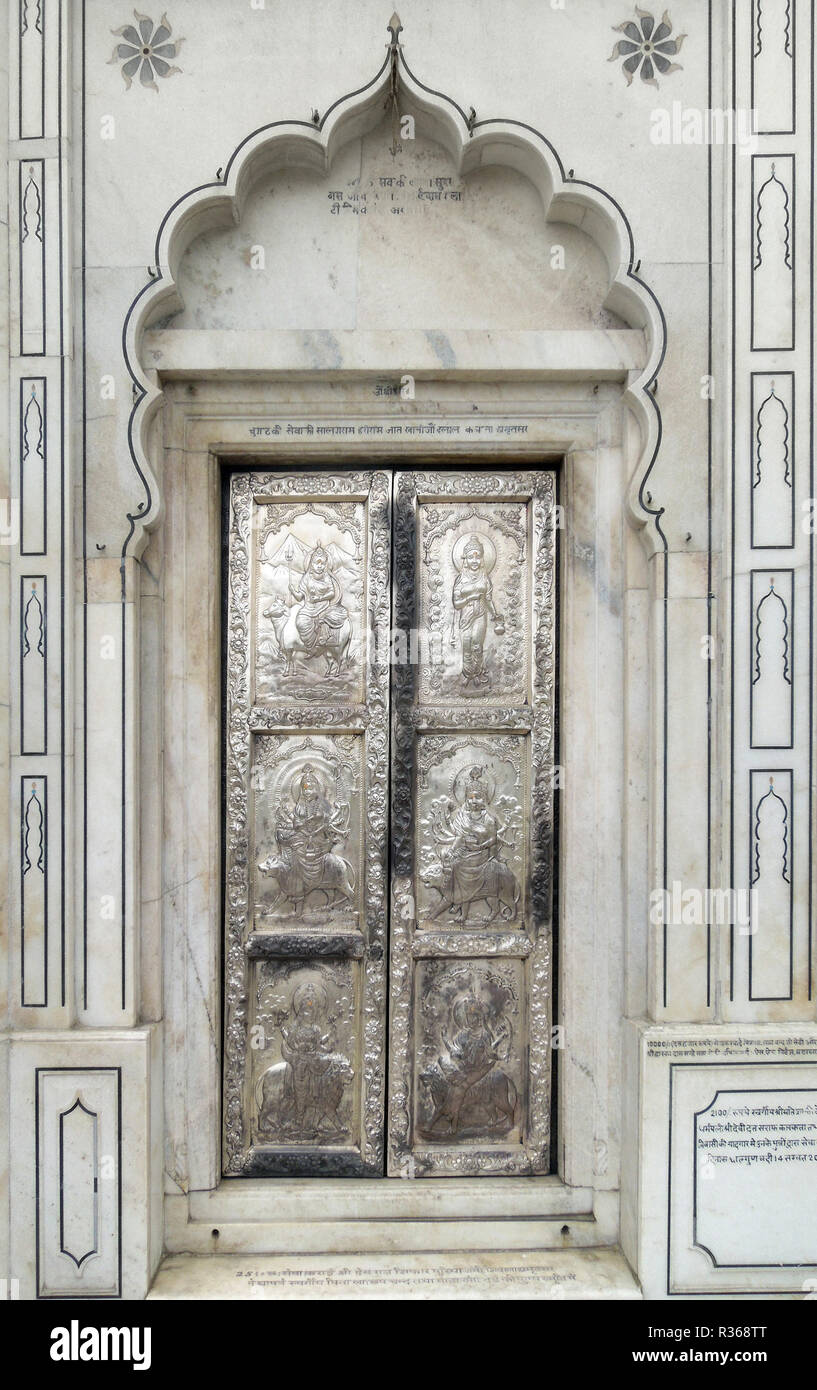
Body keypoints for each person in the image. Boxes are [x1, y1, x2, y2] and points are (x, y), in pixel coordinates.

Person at [451, 535, 503, 686]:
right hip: (466, 617)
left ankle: (478, 672)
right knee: (466, 646)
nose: (475, 561)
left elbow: (488, 598)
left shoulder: (484, 577)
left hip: (480, 615)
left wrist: (495, 614)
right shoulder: (460, 579)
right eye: (470, 557)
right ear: (465, 560)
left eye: (478, 557)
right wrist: (470, 597)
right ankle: (468, 674)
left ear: (481, 559)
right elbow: (456, 603)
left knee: (476, 645)